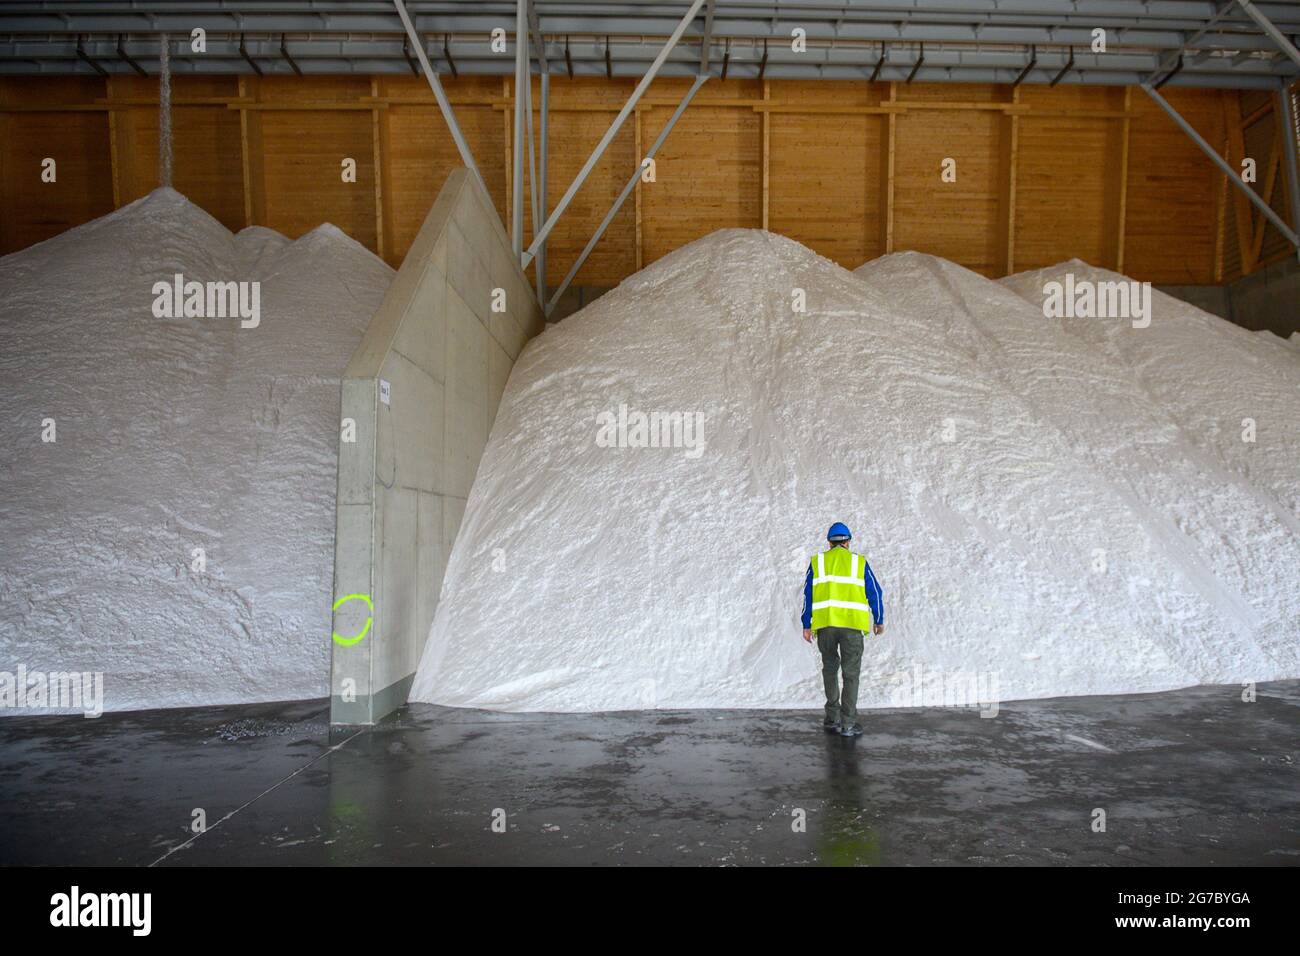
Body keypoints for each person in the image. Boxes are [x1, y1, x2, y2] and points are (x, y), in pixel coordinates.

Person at [802, 522, 885, 737]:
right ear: (848, 541)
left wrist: (806, 624)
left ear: (829, 542)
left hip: (826, 626)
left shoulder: (818, 562)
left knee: (829, 669)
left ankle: (832, 717)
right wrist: (878, 619)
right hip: (851, 627)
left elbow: (807, 595)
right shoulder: (859, 562)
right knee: (851, 674)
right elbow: (875, 591)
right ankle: (848, 723)